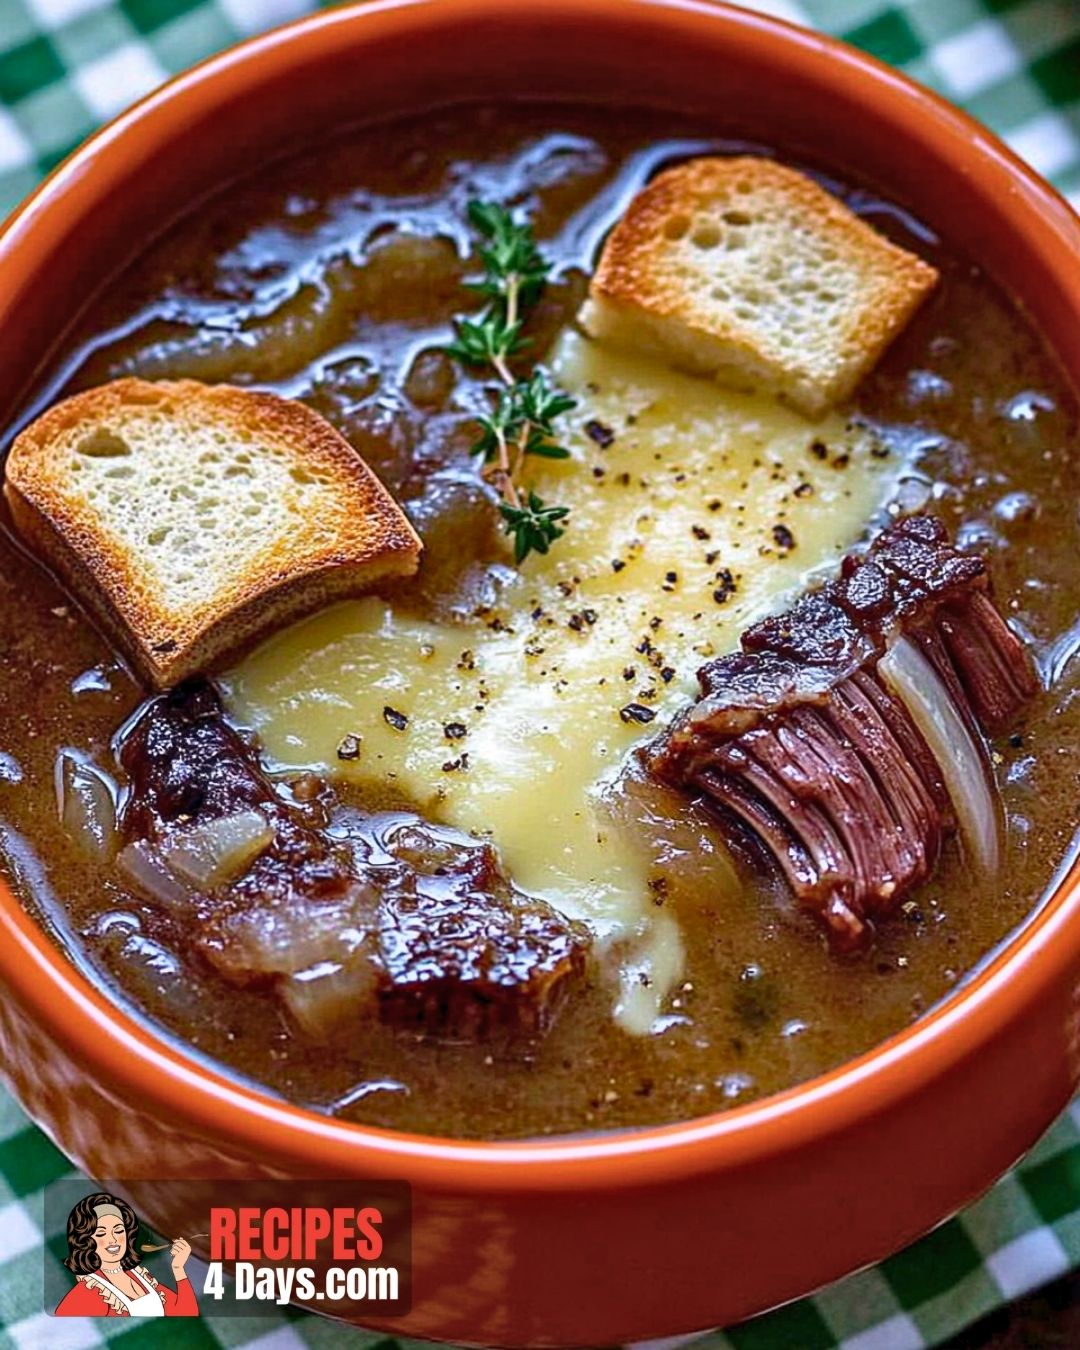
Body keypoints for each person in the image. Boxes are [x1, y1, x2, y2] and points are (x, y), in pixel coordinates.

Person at [54, 1191, 198, 1317]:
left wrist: (178, 1269)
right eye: (101, 1233)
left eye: (118, 1231)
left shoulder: (139, 1277)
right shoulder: (86, 1293)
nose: (113, 1240)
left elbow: (186, 1311)